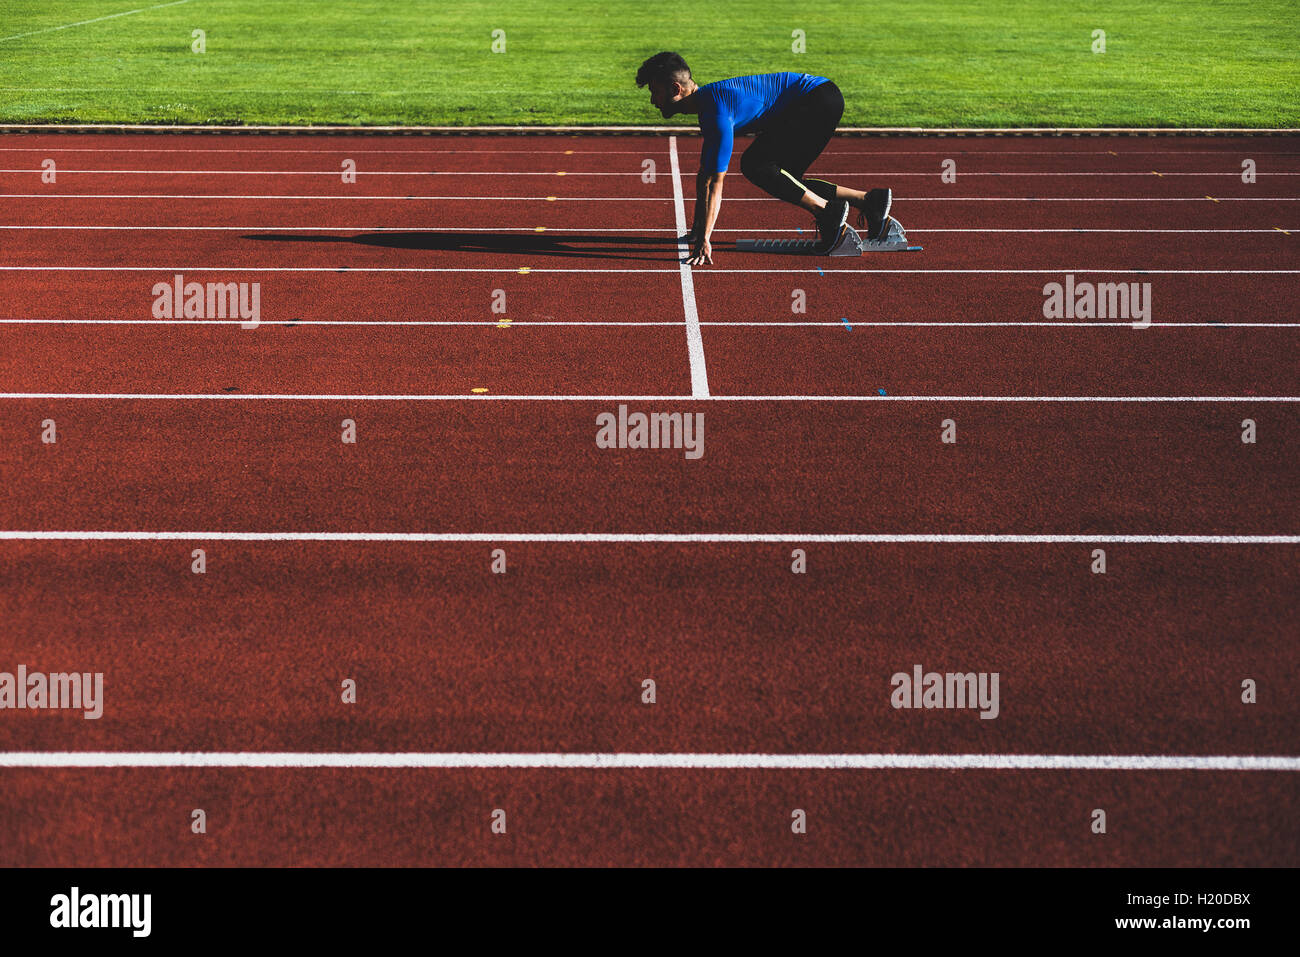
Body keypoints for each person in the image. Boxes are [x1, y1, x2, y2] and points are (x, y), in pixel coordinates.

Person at [636, 51, 893, 266]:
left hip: (816, 100)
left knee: (755, 165)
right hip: (822, 97)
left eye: (655, 92)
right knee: (787, 179)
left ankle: (828, 213)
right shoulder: (709, 106)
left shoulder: (715, 112)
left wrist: (705, 239)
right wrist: (698, 227)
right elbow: (705, 175)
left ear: (675, 89)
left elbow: (716, 182)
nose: (652, 100)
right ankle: (870, 201)